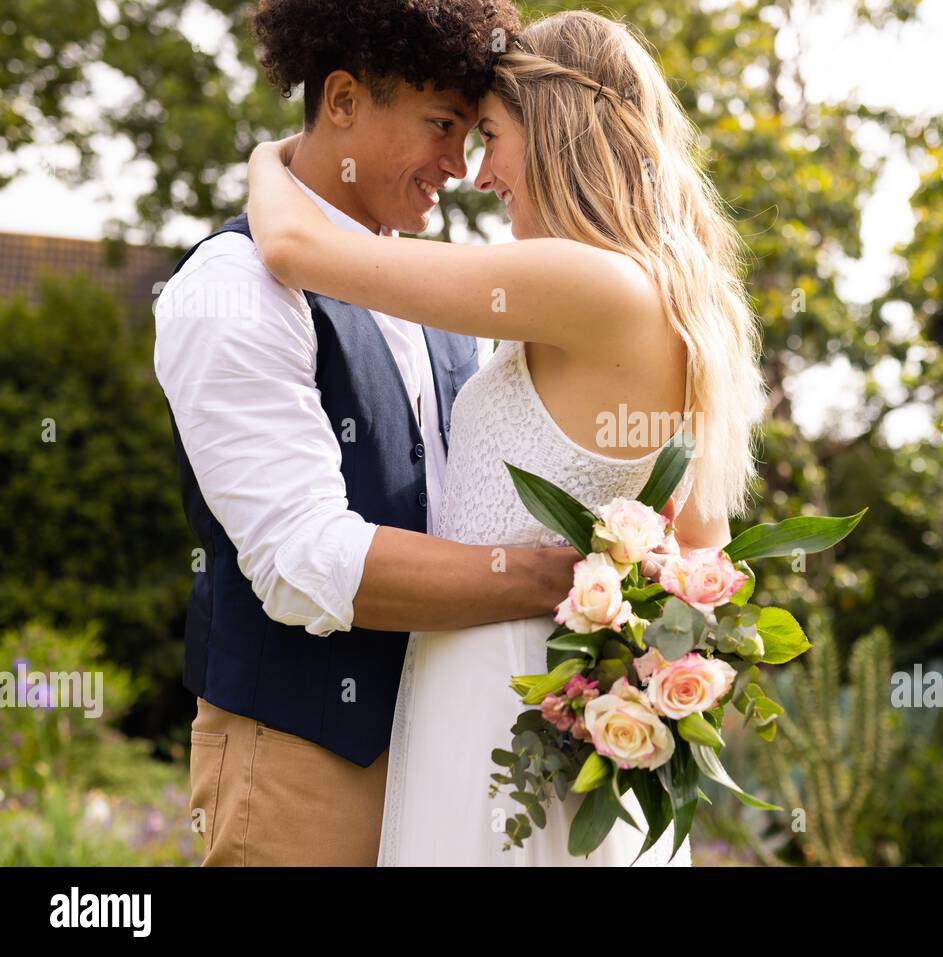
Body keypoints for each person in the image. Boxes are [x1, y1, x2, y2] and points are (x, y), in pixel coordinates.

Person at [244, 9, 767, 865]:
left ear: (556, 131)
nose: (480, 173)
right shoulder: (671, 298)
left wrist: (267, 156)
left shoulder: (585, 281)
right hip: (540, 714)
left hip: (498, 704)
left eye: (490, 134)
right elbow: (703, 563)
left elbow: (295, 246)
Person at [154, 0, 580, 866]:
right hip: (303, 768)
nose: (457, 167)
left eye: (472, 135)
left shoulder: (441, 300)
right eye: (439, 127)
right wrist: (557, 580)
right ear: (342, 100)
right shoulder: (235, 288)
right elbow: (304, 562)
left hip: (452, 764)